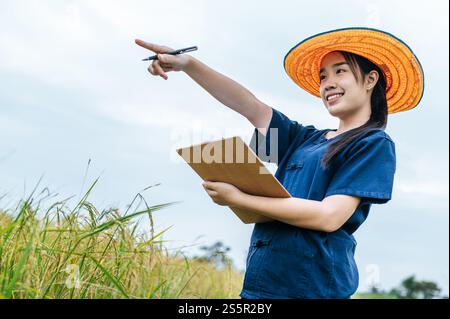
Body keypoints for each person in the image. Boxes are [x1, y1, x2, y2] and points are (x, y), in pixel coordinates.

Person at [135, 27, 424, 299]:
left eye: (340, 72)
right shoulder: (303, 139)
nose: (328, 83)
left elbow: (329, 216)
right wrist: (188, 65)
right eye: (323, 76)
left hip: (313, 286)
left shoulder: (372, 143)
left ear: (371, 80)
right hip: (262, 282)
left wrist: (242, 199)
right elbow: (249, 107)